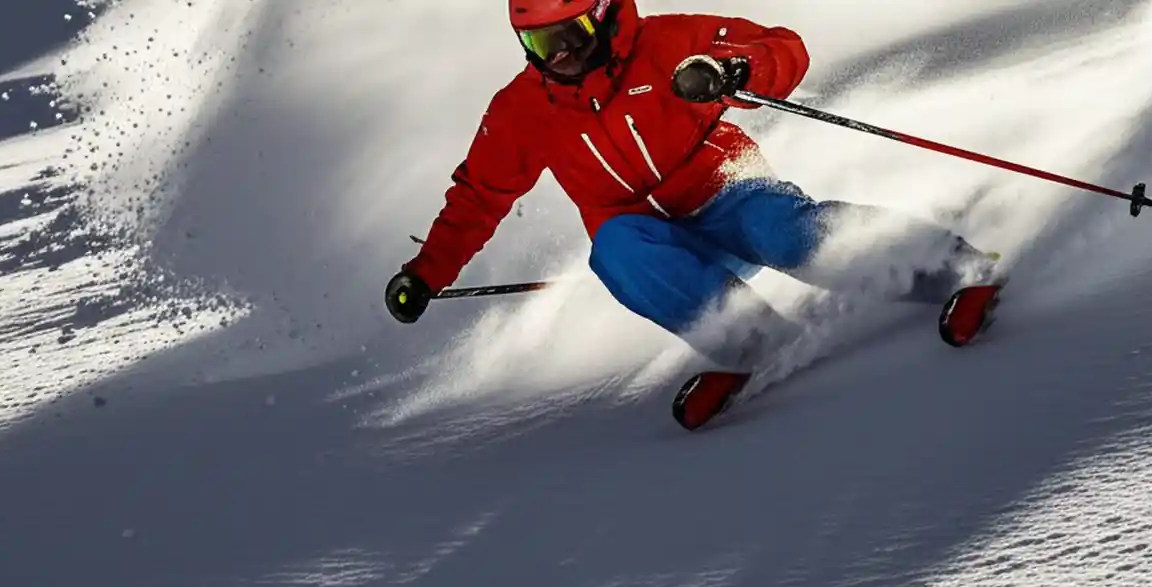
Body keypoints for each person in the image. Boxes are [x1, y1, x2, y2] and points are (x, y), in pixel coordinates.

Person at [386, 0, 990, 372]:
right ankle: (754, 341)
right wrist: (425, 274)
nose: (561, 56)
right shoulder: (521, 111)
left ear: (600, 13)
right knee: (614, 251)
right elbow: (478, 196)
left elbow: (783, 47)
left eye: (570, 36)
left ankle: (945, 267)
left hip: (728, 193)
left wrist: (734, 71)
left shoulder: (668, 43)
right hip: (654, 241)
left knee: (774, 228)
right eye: (542, 45)